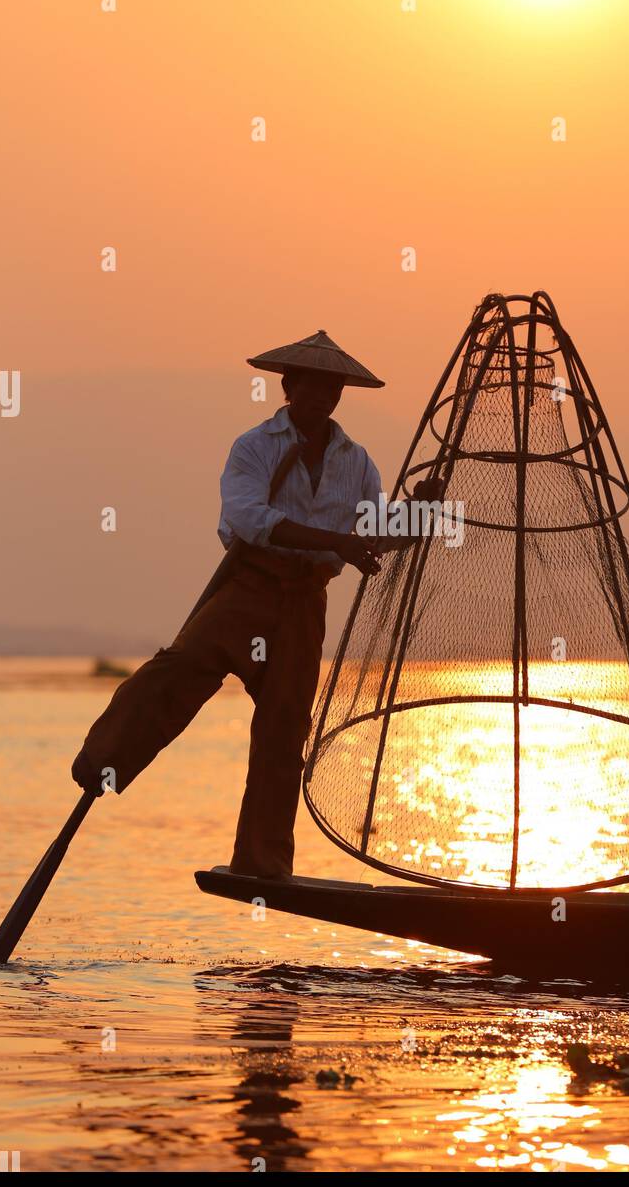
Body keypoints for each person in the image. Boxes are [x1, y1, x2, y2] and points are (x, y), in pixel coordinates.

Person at [71, 329, 442, 879]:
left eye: (333, 387)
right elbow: (250, 521)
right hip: (248, 588)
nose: (323, 396)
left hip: (303, 602)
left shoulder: (355, 460)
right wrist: (333, 541)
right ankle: (101, 764)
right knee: (182, 667)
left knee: (284, 726)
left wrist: (419, 513)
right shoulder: (255, 446)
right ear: (289, 387)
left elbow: (371, 529)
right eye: (312, 385)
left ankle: (261, 862)